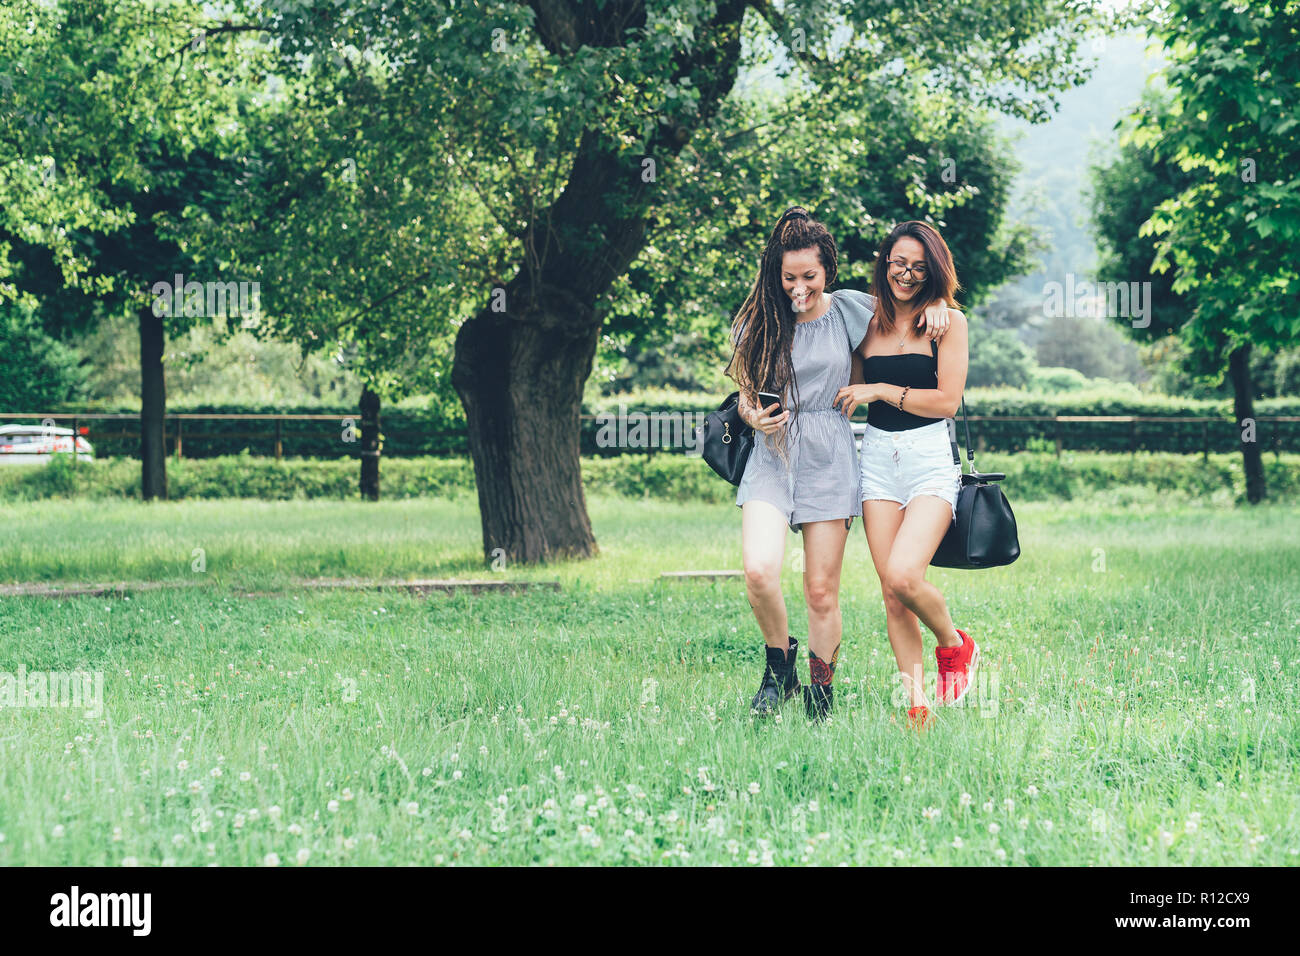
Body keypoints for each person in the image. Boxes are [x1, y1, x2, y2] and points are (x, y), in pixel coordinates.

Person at [728, 207, 948, 720]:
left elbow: (905, 306)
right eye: (788, 277)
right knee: (759, 570)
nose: (798, 287)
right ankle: (779, 667)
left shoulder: (851, 309)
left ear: (827, 269)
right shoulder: (757, 318)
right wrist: (751, 415)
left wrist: (936, 302)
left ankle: (820, 698)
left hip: (830, 454)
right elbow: (741, 392)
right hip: (772, 454)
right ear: (774, 275)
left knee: (821, 590)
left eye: (809, 276)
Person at [833, 220, 977, 731]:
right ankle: (917, 708)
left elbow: (946, 402)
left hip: (929, 462)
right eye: (899, 264)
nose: (908, 275)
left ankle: (955, 644)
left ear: (934, 270)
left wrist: (880, 391)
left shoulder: (947, 323)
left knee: (904, 575)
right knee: (891, 594)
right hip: (876, 462)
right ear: (884, 263)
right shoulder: (862, 321)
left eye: (919, 267)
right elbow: (843, 385)